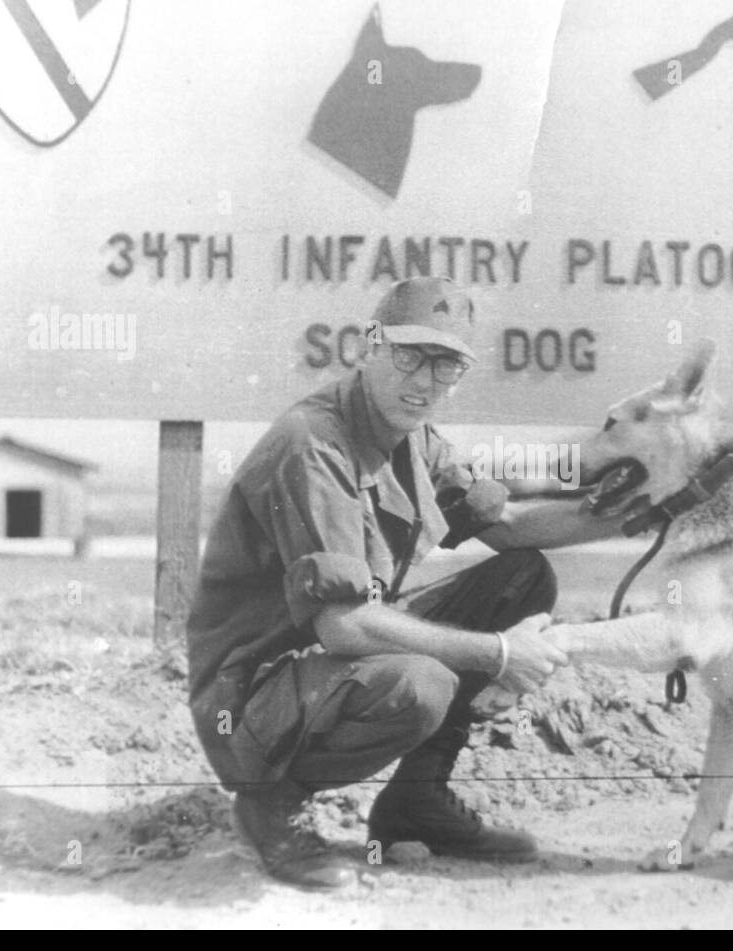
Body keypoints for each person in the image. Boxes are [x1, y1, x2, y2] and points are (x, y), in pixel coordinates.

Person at [187, 276, 622, 888]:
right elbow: (344, 623)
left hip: (317, 667)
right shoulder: (312, 445)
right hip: (251, 693)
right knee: (421, 684)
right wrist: (498, 654)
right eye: (409, 356)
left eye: (446, 366)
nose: (423, 382)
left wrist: (635, 512)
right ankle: (268, 807)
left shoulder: (409, 433)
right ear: (370, 346)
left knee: (519, 579)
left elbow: (508, 527)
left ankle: (414, 802)